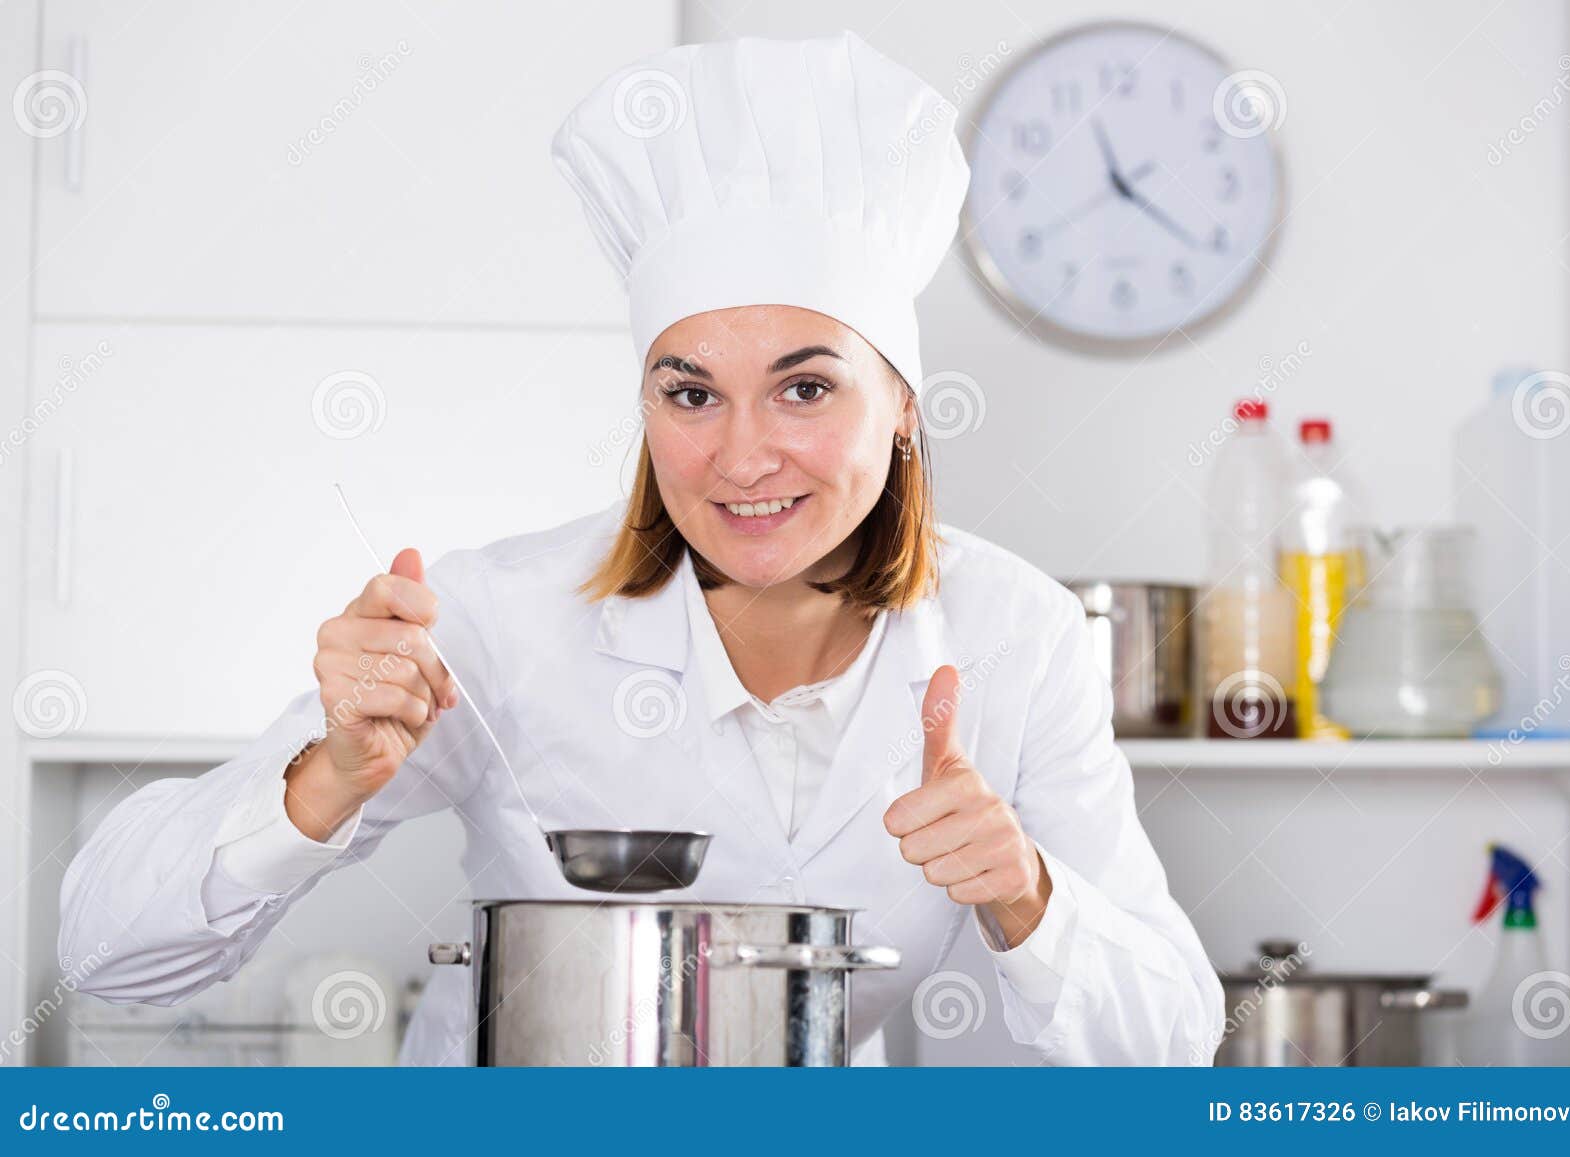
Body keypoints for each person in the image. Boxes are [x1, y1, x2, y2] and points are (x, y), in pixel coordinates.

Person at [60, 30, 1223, 1065]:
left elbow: (1170, 1046)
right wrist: (327, 776)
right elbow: (105, 955)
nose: (743, 456)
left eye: (805, 387)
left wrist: (1024, 891)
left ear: (904, 406)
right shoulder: (497, 619)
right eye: (691, 392)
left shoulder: (1016, 635)